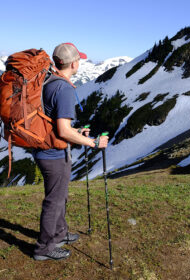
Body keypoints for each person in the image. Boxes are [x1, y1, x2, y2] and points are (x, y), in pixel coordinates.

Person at [32, 43, 109, 261]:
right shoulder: (64, 88)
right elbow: (63, 131)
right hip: (53, 155)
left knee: (59, 196)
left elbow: (55, 123)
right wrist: (93, 143)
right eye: (79, 60)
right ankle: (44, 248)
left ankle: (59, 233)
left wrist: (77, 131)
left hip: (45, 150)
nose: (80, 63)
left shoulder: (48, 80)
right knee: (54, 201)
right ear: (73, 63)